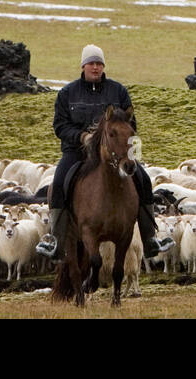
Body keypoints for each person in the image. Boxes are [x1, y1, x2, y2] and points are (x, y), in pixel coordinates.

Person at [35, 45, 174, 261]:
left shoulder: (118, 91)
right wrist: (82, 137)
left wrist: (121, 143)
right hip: (78, 152)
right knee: (60, 183)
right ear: (83, 66)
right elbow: (60, 126)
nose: (96, 67)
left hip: (115, 152)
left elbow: (131, 123)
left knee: (144, 180)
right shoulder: (67, 93)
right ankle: (56, 240)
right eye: (91, 63)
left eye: (99, 63)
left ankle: (150, 238)